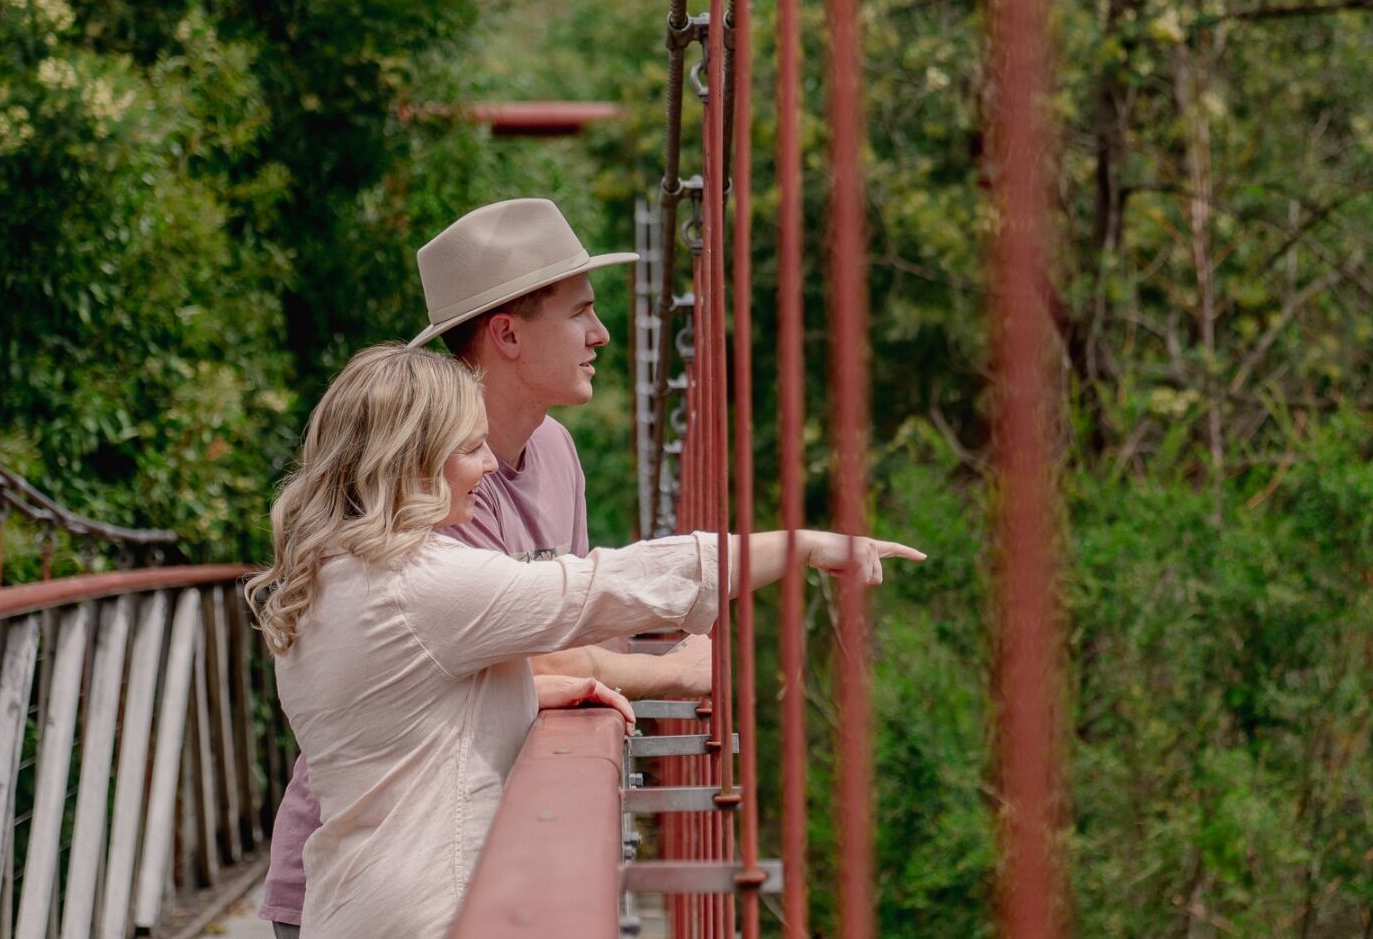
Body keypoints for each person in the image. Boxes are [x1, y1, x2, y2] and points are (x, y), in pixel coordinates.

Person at [248, 344, 922, 939]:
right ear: (414, 463)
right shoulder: (417, 582)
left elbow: (395, 719)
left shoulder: (328, 578)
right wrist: (800, 545)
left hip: (345, 906)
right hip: (426, 913)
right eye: (469, 448)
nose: (487, 468)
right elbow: (601, 586)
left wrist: (520, 693)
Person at [259, 198, 708, 935]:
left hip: (481, 850)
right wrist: (678, 669)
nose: (600, 334)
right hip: (370, 876)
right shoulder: (426, 486)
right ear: (506, 333)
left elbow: (565, 627)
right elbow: (539, 652)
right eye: (580, 313)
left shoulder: (557, 452)